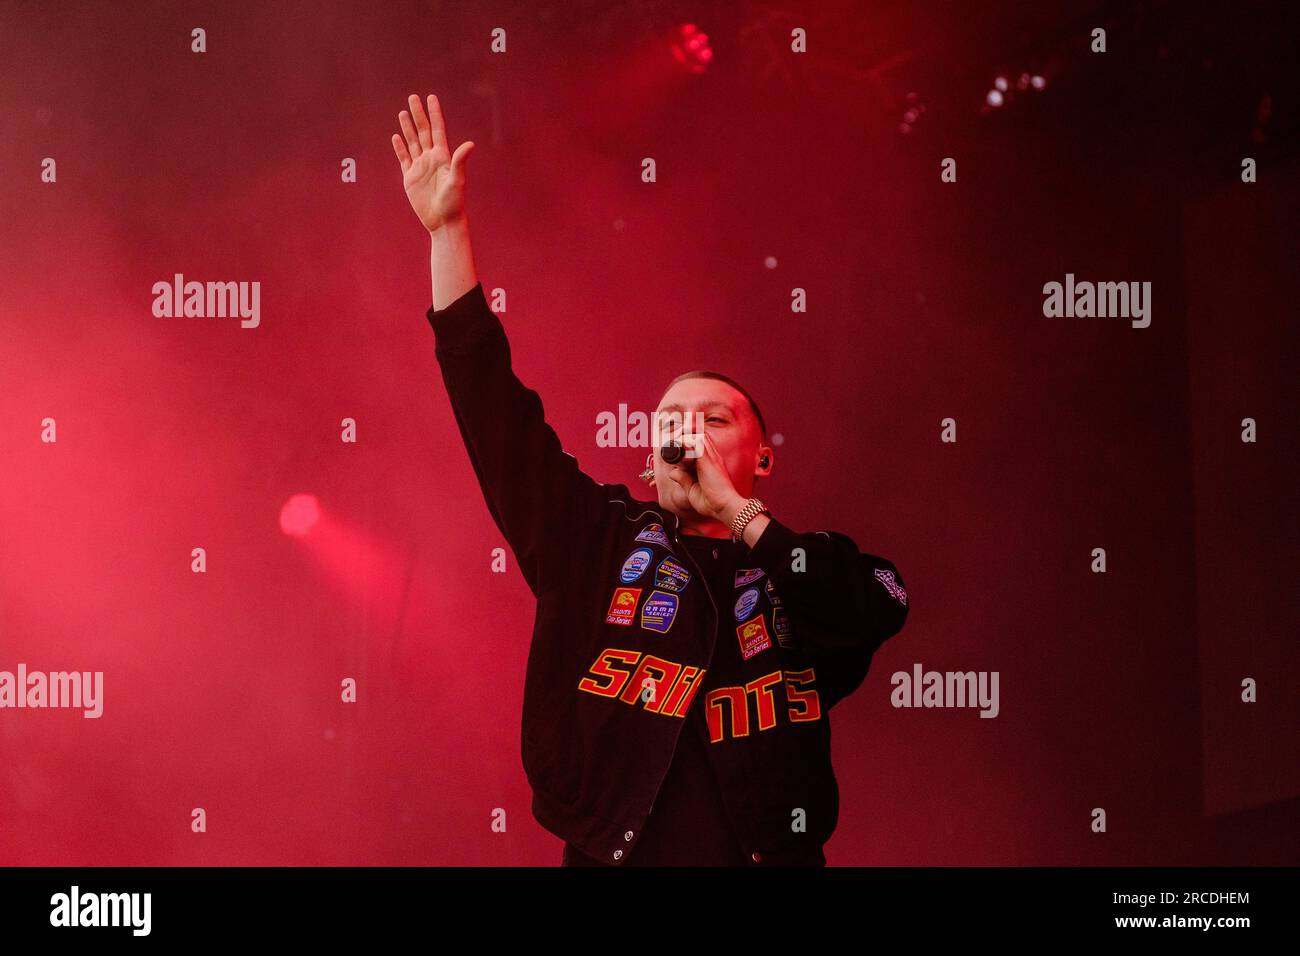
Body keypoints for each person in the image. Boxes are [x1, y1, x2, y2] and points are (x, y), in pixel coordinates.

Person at [392, 93, 910, 866]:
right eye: (674, 419)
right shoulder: (598, 538)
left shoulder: (806, 565)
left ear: (763, 460)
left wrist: (738, 515)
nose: (690, 430)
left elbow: (876, 606)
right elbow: (495, 413)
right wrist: (449, 233)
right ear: (646, 456)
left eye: (716, 419)